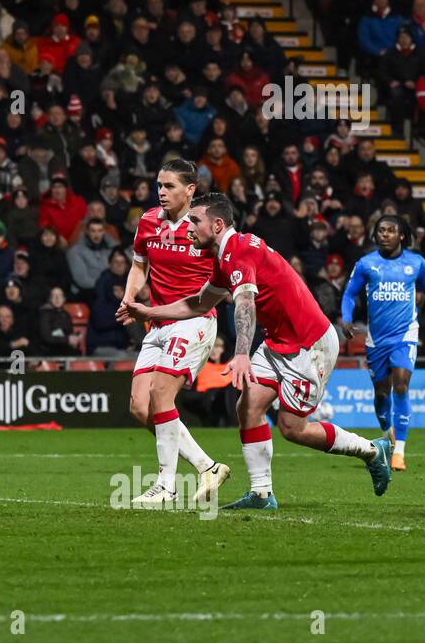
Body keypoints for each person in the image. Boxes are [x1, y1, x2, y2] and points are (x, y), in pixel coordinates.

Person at [120, 192, 392, 510]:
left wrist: (241, 353)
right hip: (278, 341)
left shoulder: (237, 252)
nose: (188, 227)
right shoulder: (223, 259)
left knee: (294, 428)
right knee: (247, 407)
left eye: (195, 221)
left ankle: (372, 451)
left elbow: (246, 303)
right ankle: (262, 494)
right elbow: (199, 303)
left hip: (309, 344)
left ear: (218, 224)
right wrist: (150, 313)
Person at [119, 159, 230, 506]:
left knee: (161, 394)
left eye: (169, 186)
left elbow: (227, 271)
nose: (161, 192)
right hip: (157, 321)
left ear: (190, 190)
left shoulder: (204, 226)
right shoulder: (149, 221)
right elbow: (140, 264)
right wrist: (129, 295)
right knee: (140, 406)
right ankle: (207, 466)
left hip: (194, 320)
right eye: (159, 186)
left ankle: (166, 486)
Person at [340, 215, 425, 472]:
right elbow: (349, 293)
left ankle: (399, 452)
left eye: (391, 230)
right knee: (382, 392)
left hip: (405, 335)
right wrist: (346, 318)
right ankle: (386, 434)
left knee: (400, 385)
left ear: (402, 235)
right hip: (376, 339)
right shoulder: (366, 264)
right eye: (381, 230)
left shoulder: (416, 263)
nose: (385, 234)